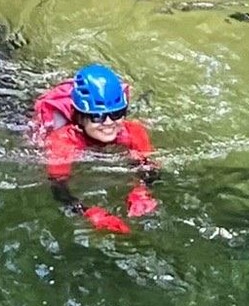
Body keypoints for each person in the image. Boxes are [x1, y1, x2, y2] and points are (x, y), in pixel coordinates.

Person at [32, 64, 160, 234]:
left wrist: (141, 191)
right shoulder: (63, 140)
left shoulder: (132, 131)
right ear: (80, 117)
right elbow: (58, 187)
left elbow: (149, 167)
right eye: (97, 116)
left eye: (116, 113)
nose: (109, 123)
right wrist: (88, 212)